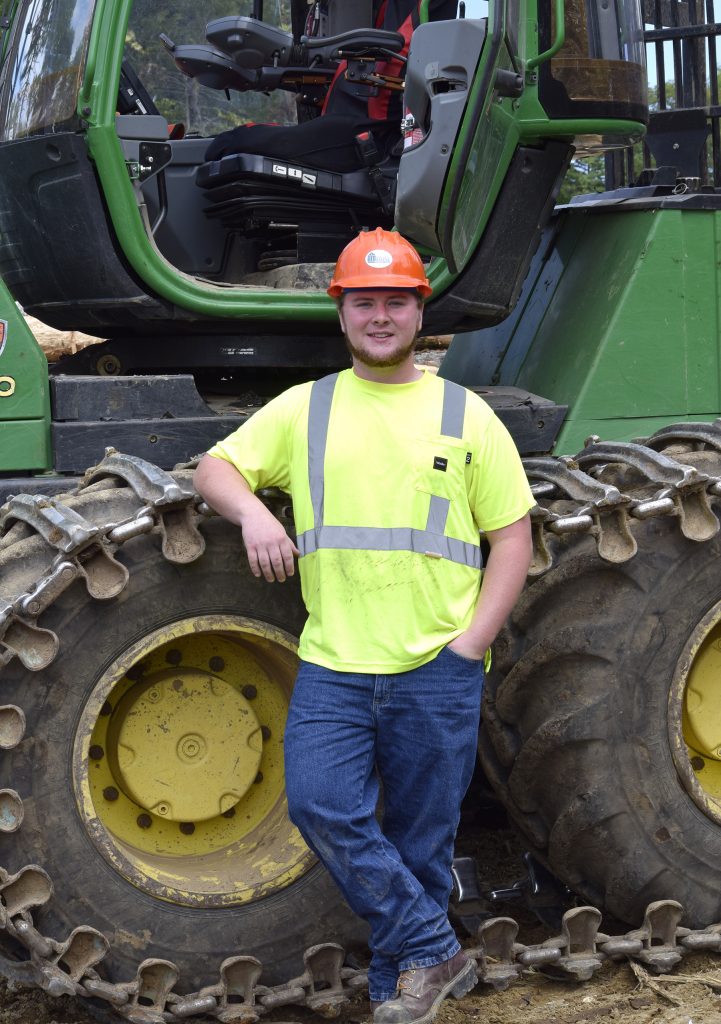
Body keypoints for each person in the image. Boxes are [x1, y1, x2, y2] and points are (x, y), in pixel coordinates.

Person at [193, 227, 534, 1024]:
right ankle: (435, 948)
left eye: (395, 302)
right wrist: (253, 514)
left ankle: (399, 992)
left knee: (420, 843)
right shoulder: (305, 408)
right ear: (341, 312)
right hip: (336, 661)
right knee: (319, 804)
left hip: (436, 663)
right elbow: (216, 466)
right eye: (364, 302)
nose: (380, 316)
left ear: (419, 313)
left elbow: (512, 538)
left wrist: (470, 647)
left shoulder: (465, 414)